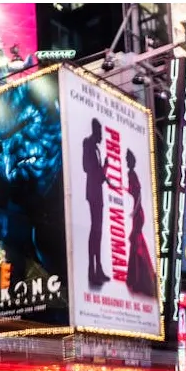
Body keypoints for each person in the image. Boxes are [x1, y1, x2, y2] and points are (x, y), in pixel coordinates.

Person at [124, 150, 157, 297]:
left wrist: (134, 210)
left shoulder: (132, 174)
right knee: (136, 244)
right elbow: (133, 192)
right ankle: (138, 279)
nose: (125, 160)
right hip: (137, 212)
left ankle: (142, 281)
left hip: (138, 213)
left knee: (137, 244)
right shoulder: (131, 174)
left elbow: (138, 196)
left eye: (127, 159)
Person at [82, 118, 110, 289]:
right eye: (100, 132)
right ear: (96, 131)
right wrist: (102, 170)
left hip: (97, 192)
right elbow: (87, 167)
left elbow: (99, 174)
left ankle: (98, 267)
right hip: (93, 192)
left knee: (98, 231)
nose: (102, 136)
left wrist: (104, 169)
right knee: (95, 230)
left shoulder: (96, 147)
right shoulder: (88, 144)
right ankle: (92, 270)